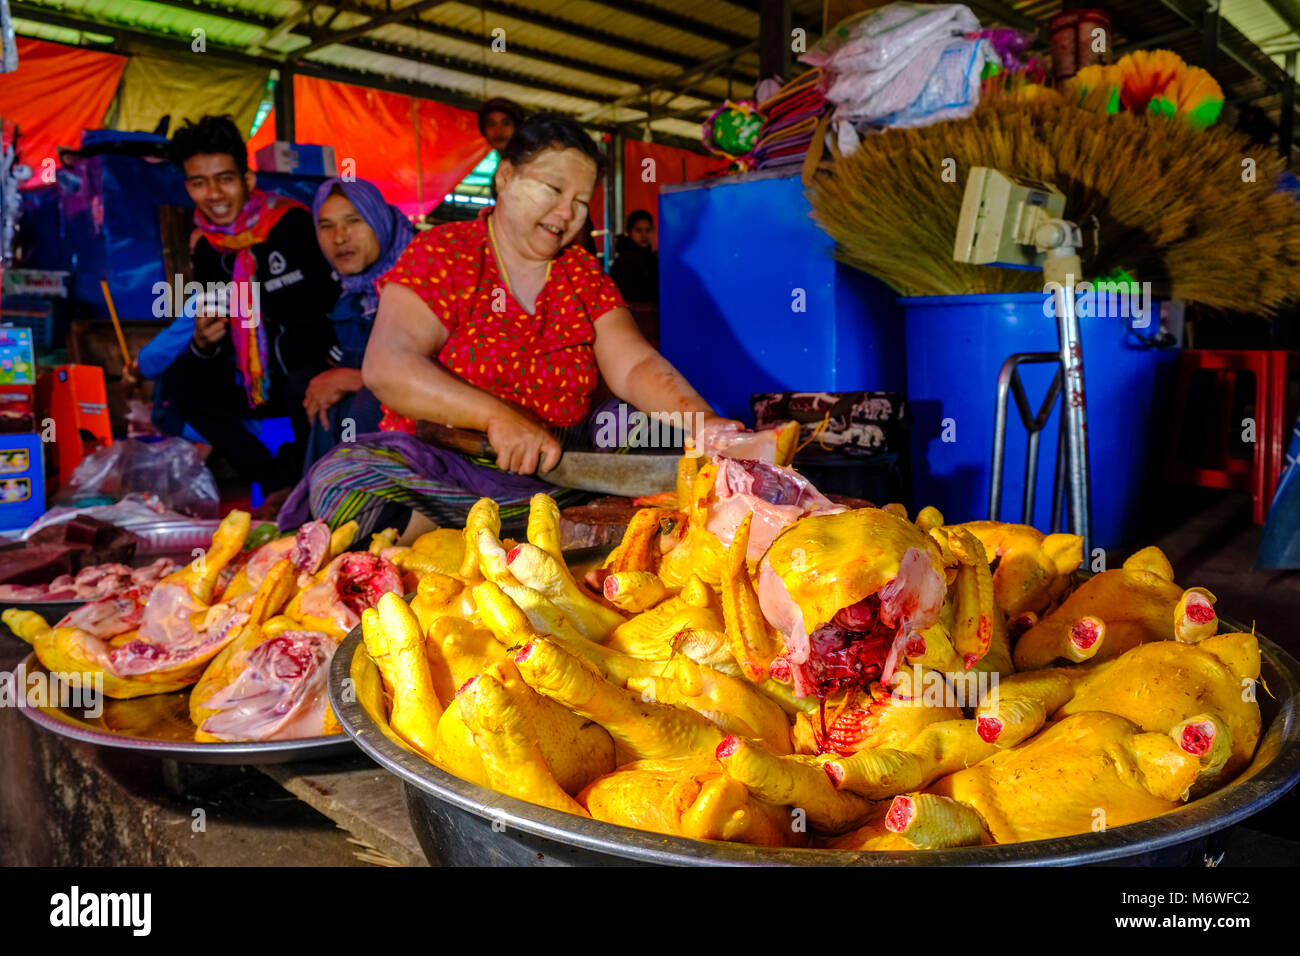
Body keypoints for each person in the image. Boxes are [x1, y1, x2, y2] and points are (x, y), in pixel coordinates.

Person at [278, 113, 739, 538]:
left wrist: (705, 425)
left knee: (656, 441)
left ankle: (509, 532)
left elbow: (634, 364)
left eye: (580, 202)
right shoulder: (447, 252)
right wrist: (497, 418)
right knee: (343, 479)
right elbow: (388, 366)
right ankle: (490, 530)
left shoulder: (580, 273)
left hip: (560, 473)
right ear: (505, 177)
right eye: (552, 189)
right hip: (446, 467)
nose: (566, 213)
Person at [150, 115, 339, 494]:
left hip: (310, 380)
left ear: (247, 180)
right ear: (188, 187)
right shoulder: (205, 246)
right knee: (178, 380)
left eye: (225, 178)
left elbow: (337, 305)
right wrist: (203, 344)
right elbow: (211, 335)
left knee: (308, 380)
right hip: (251, 383)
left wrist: (340, 369)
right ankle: (274, 480)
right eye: (199, 183)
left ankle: (305, 476)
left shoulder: (293, 225)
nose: (214, 194)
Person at [301, 177, 416, 473]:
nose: (339, 237)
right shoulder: (353, 295)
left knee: (365, 402)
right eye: (326, 225)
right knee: (324, 400)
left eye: (353, 220)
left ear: (379, 221)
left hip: (427, 426)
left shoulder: (424, 278)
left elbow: (447, 372)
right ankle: (324, 508)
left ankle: (361, 511)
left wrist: (352, 379)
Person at [609, 209, 659, 303]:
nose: (644, 236)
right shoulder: (625, 260)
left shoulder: (652, 258)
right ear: (629, 232)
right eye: (638, 230)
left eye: (648, 230)